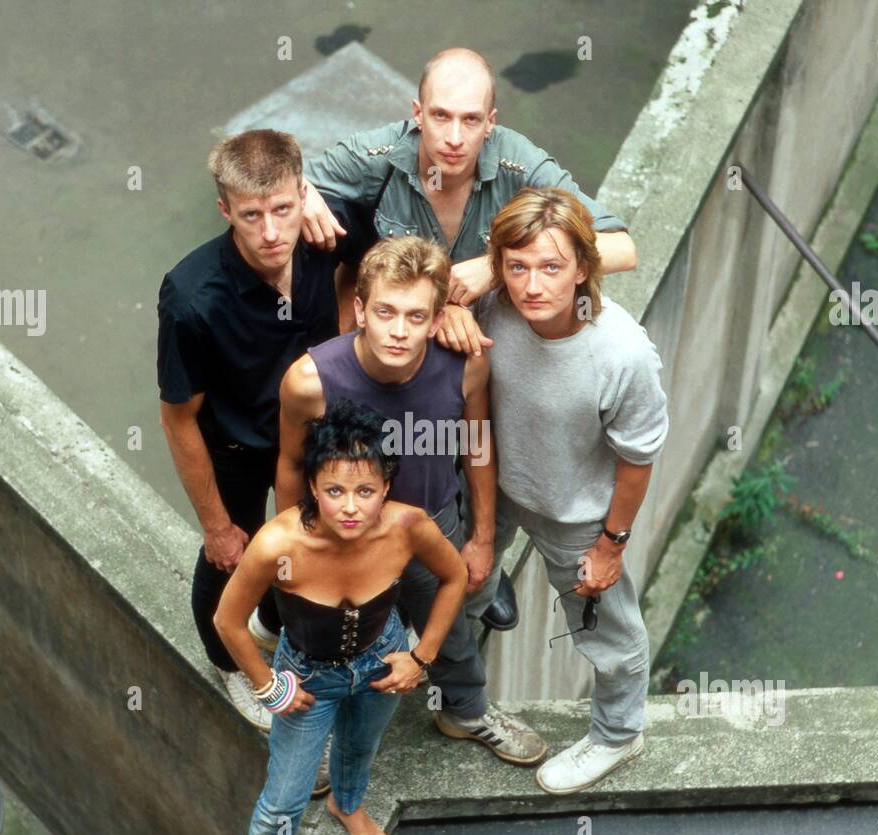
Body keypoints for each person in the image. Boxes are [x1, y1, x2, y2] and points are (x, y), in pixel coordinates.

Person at [298, 46, 640, 629]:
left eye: (470, 120)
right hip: (405, 329)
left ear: (492, 122)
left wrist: (497, 262)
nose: (453, 136)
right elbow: (292, 178)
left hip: (491, 337)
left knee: (481, 454)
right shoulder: (384, 152)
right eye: (440, 117)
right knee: (401, 453)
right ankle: (386, 576)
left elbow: (621, 247)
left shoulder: (517, 166)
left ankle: (480, 568)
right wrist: (305, 196)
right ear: (417, 113)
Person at [277, 235, 547, 765]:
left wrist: (482, 536)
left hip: (433, 525)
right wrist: (296, 544)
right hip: (343, 535)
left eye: (416, 316)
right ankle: (319, 731)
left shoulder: (465, 366)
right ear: (359, 309)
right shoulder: (310, 382)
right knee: (328, 638)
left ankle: (466, 712)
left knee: (452, 633)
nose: (399, 331)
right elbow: (289, 464)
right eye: (385, 312)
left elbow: (477, 450)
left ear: (437, 316)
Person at [157, 129, 372, 730]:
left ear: (305, 194)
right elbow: (177, 418)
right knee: (229, 558)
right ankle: (229, 664)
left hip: (312, 435)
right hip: (236, 449)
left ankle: (277, 628)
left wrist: (345, 328)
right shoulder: (191, 296)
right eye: (252, 216)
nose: (272, 232)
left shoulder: (329, 229)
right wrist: (215, 523)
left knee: (308, 546)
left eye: (283, 208)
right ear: (226, 211)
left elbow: (371, 259)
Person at [463, 186, 671, 794]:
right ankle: (455, 697)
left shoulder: (623, 355)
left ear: (584, 266)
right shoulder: (494, 308)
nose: (533, 285)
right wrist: (480, 528)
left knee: (609, 635)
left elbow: (637, 461)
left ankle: (618, 735)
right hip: (497, 488)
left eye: (552, 267)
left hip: (577, 513)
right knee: (463, 584)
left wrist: (610, 544)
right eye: (518, 266)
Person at [219, 398, 467, 835]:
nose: (351, 507)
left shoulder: (406, 525)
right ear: (312, 486)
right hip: (307, 676)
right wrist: (269, 686)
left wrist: (421, 657)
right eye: (334, 490)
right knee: (284, 799)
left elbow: (454, 577)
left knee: (359, 751)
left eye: (366, 490)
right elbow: (228, 620)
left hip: (381, 660)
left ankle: (347, 806)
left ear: (386, 487)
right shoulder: (277, 544)